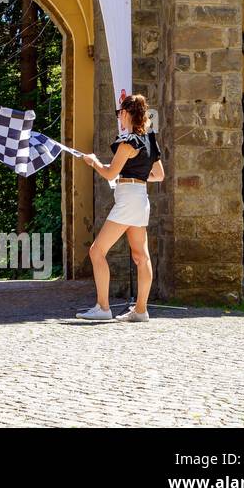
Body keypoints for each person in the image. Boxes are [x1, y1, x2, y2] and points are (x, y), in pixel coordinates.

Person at [74, 93, 164, 322]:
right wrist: (137, 178)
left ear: (126, 113)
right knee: (140, 256)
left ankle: (103, 307)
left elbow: (110, 174)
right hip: (141, 199)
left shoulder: (127, 143)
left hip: (127, 201)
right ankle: (141, 311)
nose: (119, 118)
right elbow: (159, 175)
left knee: (97, 250)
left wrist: (94, 162)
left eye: (119, 114)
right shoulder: (150, 140)